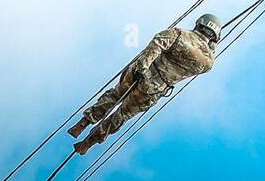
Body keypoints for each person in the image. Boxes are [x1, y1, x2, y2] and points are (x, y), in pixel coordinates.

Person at [68, 14, 222, 155]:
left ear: (199, 24)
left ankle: (83, 123)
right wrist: (212, 45)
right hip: (155, 89)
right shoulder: (208, 62)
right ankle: (88, 143)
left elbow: (157, 45)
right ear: (214, 36)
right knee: (122, 115)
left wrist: (142, 67)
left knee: (115, 95)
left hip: (142, 72)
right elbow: (209, 59)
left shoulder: (179, 34)